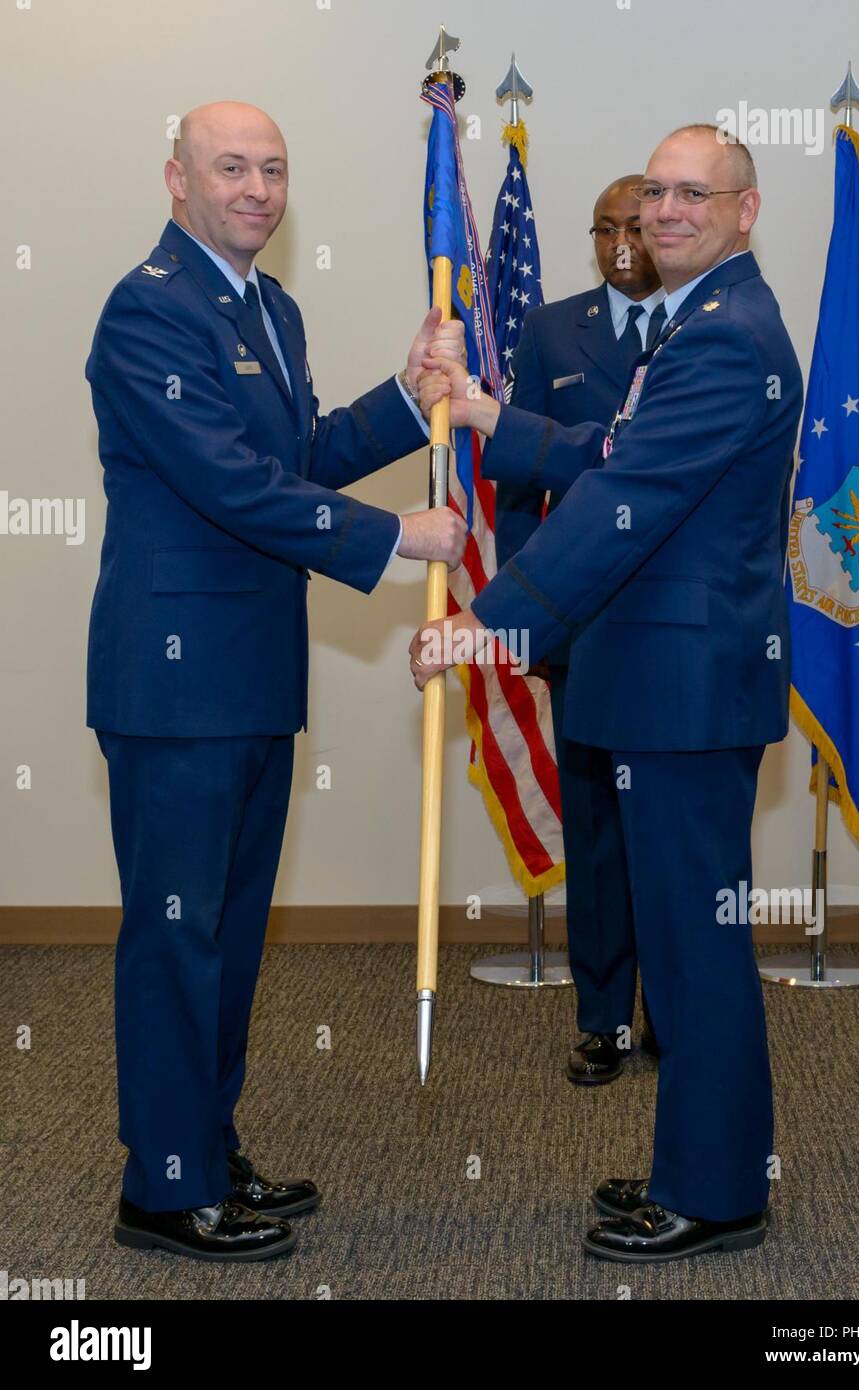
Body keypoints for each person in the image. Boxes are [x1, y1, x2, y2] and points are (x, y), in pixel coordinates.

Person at [410, 124, 803, 1263]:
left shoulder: (725, 336)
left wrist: (485, 625)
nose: (666, 213)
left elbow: (630, 489)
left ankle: (718, 1192)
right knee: (684, 944)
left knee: (690, 949)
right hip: (665, 685)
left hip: (680, 693)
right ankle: (697, 1163)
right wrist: (492, 419)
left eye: (694, 195)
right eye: (655, 196)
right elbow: (619, 448)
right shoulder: (703, 322)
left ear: (745, 208)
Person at [86, 101, 465, 1262]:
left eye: (273, 169)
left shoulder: (269, 307)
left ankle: (204, 1144)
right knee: (174, 933)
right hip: (175, 684)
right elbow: (232, 486)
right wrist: (397, 538)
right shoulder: (148, 310)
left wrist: (405, 398)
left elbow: (291, 456)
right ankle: (162, 1189)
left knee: (230, 934)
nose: (257, 188)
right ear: (177, 179)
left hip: (251, 677)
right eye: (232, 167)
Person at [495, 175, 665, 1085]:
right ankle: (602, 1017)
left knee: (675, 829)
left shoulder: (698, 321)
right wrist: (526, 609)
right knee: (596, 827)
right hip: (582, 620)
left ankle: (670, 1013)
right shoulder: (552, 329)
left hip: (673, 623)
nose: (622, 243)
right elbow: (518, 477)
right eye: (605, 228)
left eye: (637, 225)